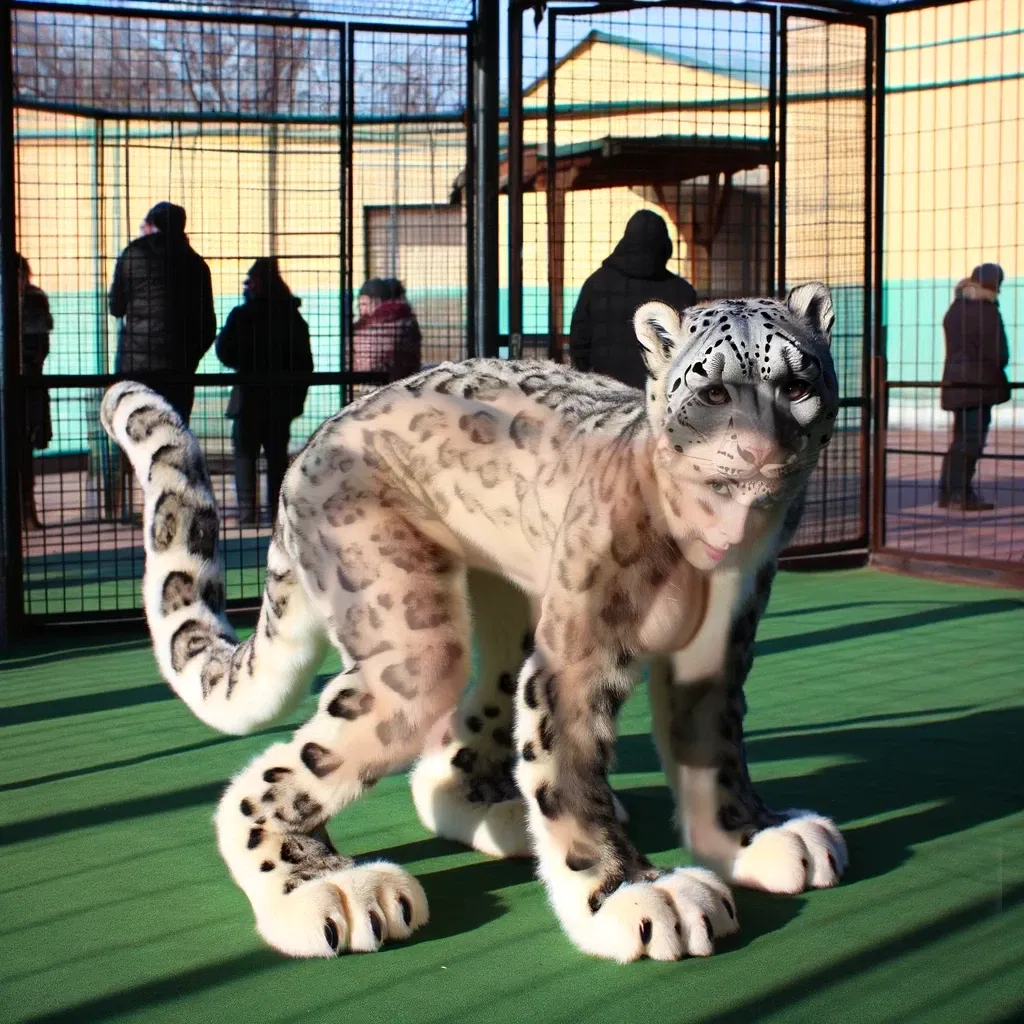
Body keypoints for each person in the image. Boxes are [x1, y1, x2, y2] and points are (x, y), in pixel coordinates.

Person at [216, 258, 313, 526]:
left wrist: (243, 361)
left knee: (244, 455)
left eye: (248, 282)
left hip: (249, 398)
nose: (245, 287)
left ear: (256, 283)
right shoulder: (292, 317)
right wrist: (296, 400)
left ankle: (247, 515)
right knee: (276, 457)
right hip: (280, 401)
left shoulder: (242, 315)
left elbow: (224, 351)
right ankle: (277, 514)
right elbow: (305, 364)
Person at [108, 201, 216, 424]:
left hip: (135, 371)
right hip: (178, 370)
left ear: (151, 225)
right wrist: (189, 358)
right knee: (175, 434)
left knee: (137, 435)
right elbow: (207, 325)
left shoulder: (132, 254)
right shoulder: (196, 264)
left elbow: (116, 307)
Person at [569, 209, 698, 390]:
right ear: (664, 245)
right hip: (660, 398)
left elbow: (579, 342)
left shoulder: (596, 284)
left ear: (626, 241)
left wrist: (591, 380)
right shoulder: (683, 292)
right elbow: (691, 351)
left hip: (606, 395)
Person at [938, 262, 1011, 511]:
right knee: (973, 441)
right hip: (979, 386)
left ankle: (948, 491)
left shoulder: (955, 308)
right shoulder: (987, 311)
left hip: (956, 384)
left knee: (960, 440)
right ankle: (961, 493)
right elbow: (999, 354)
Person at [17, 254, 53, 530]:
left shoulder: (33, 300)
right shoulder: (35, 299)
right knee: (24, 453)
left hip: (26, 388)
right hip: (29, 386)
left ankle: (24, 514)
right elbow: (41, 348)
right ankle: (27, 514)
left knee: (22, 451)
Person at [351, 277, 422, 382]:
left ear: (378, 301)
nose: (361, 310)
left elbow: (366, 364)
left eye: (364, 304)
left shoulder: (388, 323)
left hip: (379, 380)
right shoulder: (407, 320)